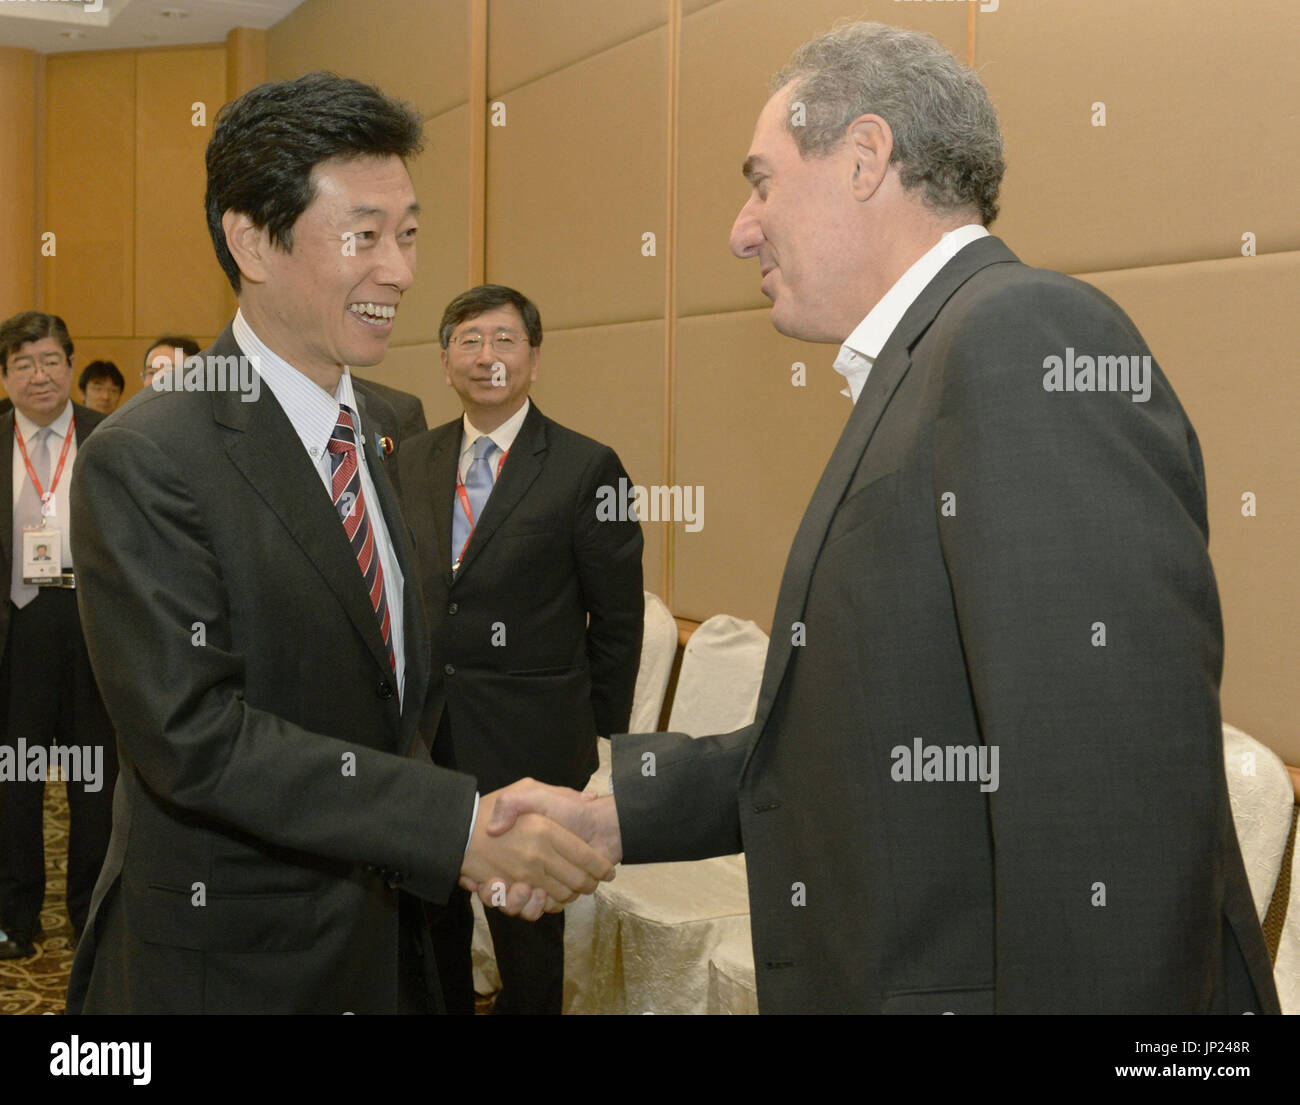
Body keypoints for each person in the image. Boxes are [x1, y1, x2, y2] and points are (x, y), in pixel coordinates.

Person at [473, 22, 1281, 1014]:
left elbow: (1107, 806)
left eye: (760, 180)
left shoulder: (1017, 341)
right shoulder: (932, 364)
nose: (739, 227)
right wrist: (613, 818)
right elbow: (856, 732)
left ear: (862, 158)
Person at [64, 71, 611, 1015]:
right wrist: (456, 827)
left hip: (389, 944)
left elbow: (390, 692)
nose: (399, 270)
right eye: (363, 234)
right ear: (251, 240)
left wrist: (474, 828)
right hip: (230, 960)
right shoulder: (149, 455)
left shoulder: (393, 421)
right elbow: (195, 738)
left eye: (408, 233)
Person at [399, 284, 643, 1014]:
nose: (488, 356)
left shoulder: (586, 466)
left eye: (505, 340)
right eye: (469, 341)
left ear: (534, 359)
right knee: (429, 925)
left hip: (533, 745)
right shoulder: (410, 459)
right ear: (445, 361)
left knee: (527, 937)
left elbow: (619, 617)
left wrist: (592, 734)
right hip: (427, 739)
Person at [0, 311, 117, 961]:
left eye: (49, 361)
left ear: (71, 368)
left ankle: (90, 913)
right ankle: (15, 916)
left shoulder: (112, 437)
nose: (38, 375)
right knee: (12, 782)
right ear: (6, 376)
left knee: (94, 782)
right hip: (15, 632)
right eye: (22, 363)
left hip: (92, 628)